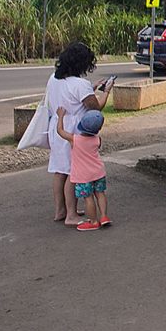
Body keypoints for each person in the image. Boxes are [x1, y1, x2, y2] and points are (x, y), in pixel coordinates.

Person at [45, 43, 110, 224]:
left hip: (57, 126)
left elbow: (70, 95)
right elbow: (95, 108)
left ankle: (60, 210)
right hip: (74, 129)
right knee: (74, 172)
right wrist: (106, 92)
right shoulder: (81, 84)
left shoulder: (54, 78)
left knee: (60, 171)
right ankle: (71, 215)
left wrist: (92, 88)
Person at [54, 107, 109, 231]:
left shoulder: (75, 139)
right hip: (98, 172)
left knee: (88, 197)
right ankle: (104, 216)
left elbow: (60, 131)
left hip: (83, 176)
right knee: (100, 194)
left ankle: (94, 221)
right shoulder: (97, 140)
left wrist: (61, 116)